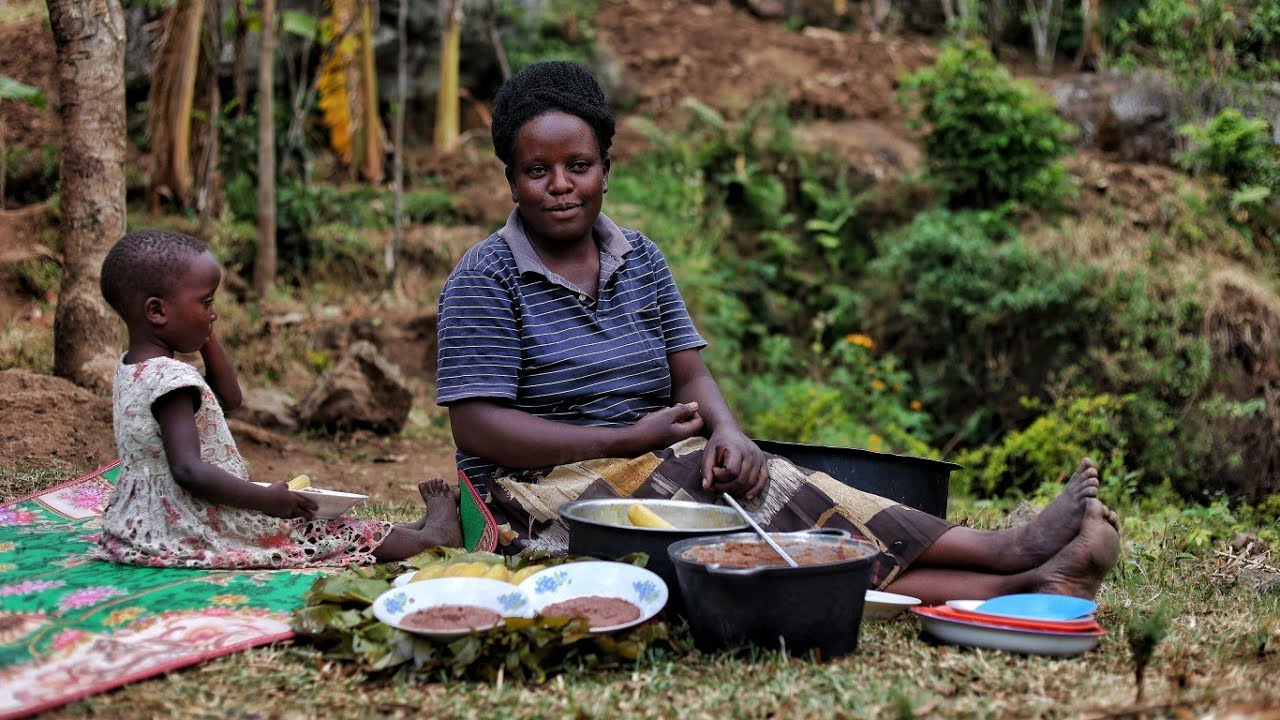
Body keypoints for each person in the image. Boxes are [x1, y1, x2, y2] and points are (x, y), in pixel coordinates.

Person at [436, 61, 1120, 604]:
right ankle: (1010, 561)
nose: (560, 185)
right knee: (730, 518)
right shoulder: (487, 277)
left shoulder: (639, 259)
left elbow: (691, 373)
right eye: (537, 170)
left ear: (606, 172)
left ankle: (1026, 573)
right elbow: (479, 430)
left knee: (776, 482)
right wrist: (624, 440)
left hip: (645, 466)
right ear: (513, 181)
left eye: (578, 166)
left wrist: (730, 432)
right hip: (527, 499)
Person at [95, 229, 460, 569]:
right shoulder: (170, 381)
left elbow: (228, 398)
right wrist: (266, 499)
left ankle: (406, 533)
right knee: (312, 531)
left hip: (151, 520)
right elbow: (189, 470)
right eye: (206, 302)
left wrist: (205, 334)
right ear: (157, 311)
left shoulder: (132, 367)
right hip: (188, 522)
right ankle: (433, 540)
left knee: (324, 526)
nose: (214, 313)